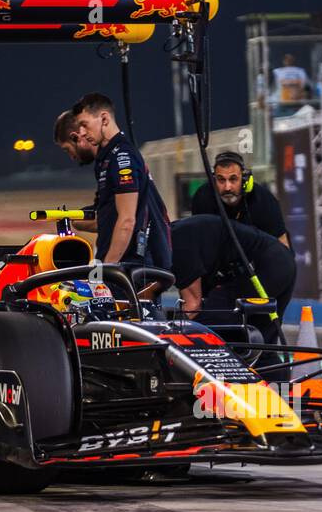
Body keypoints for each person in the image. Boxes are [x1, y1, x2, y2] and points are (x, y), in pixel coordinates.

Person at [71, 93, 171, 270]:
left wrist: (108, 268)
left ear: (104, 119)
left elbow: (126, 221)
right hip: (117, 262)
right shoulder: (106, 157)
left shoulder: (122, 157)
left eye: (84, 125)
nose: (83, 133)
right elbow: (106, 214)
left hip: (128, 265)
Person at [170, 216, 295, 335]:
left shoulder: (178, 247)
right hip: (284, 262)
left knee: (209, 320)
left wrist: (167, 330)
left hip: (267, 265)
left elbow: (192, 305)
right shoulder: (174, 234)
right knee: (261, 344)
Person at [190, 151, 291, 247]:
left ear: (244, 180)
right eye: (221, 180)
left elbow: (282, 244)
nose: (227, 187)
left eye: (233, 179)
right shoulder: (202, 198)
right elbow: (198, 242)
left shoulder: (264, 200)